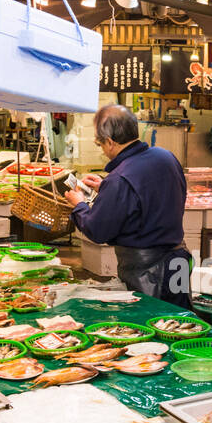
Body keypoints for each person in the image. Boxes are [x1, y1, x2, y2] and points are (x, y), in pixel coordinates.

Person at [64, 104, 192, 309]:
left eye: (101, 145)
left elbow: (97, 230)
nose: (103, 151)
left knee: (152, 328)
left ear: (110, 142)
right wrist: (105, 188)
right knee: (181, 321)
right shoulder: (165, 157)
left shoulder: (120, 179)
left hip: (147, 272)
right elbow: (152, 195)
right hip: (179, 261)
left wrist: (79, 204)